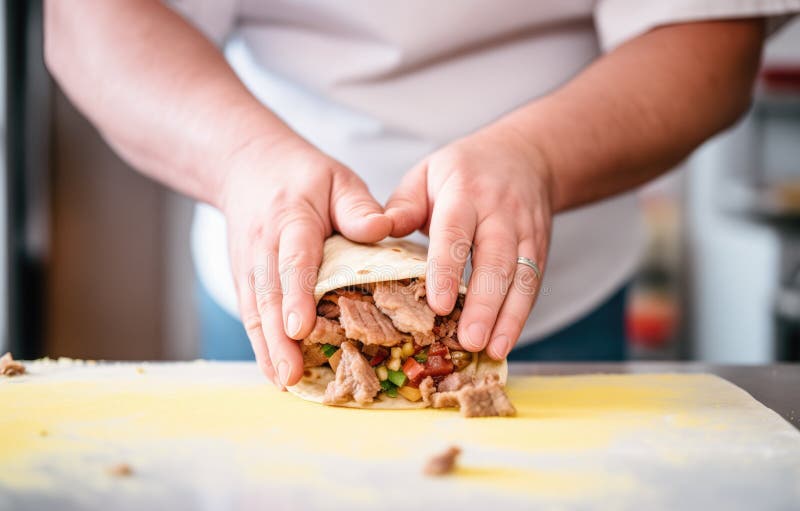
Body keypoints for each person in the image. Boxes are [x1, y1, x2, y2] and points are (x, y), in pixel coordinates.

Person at [44, 1, 799, 387]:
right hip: (267, 266)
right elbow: (92, 20)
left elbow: (709, 34)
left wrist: (535, 155)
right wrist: (245, 160)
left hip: (554, 288)